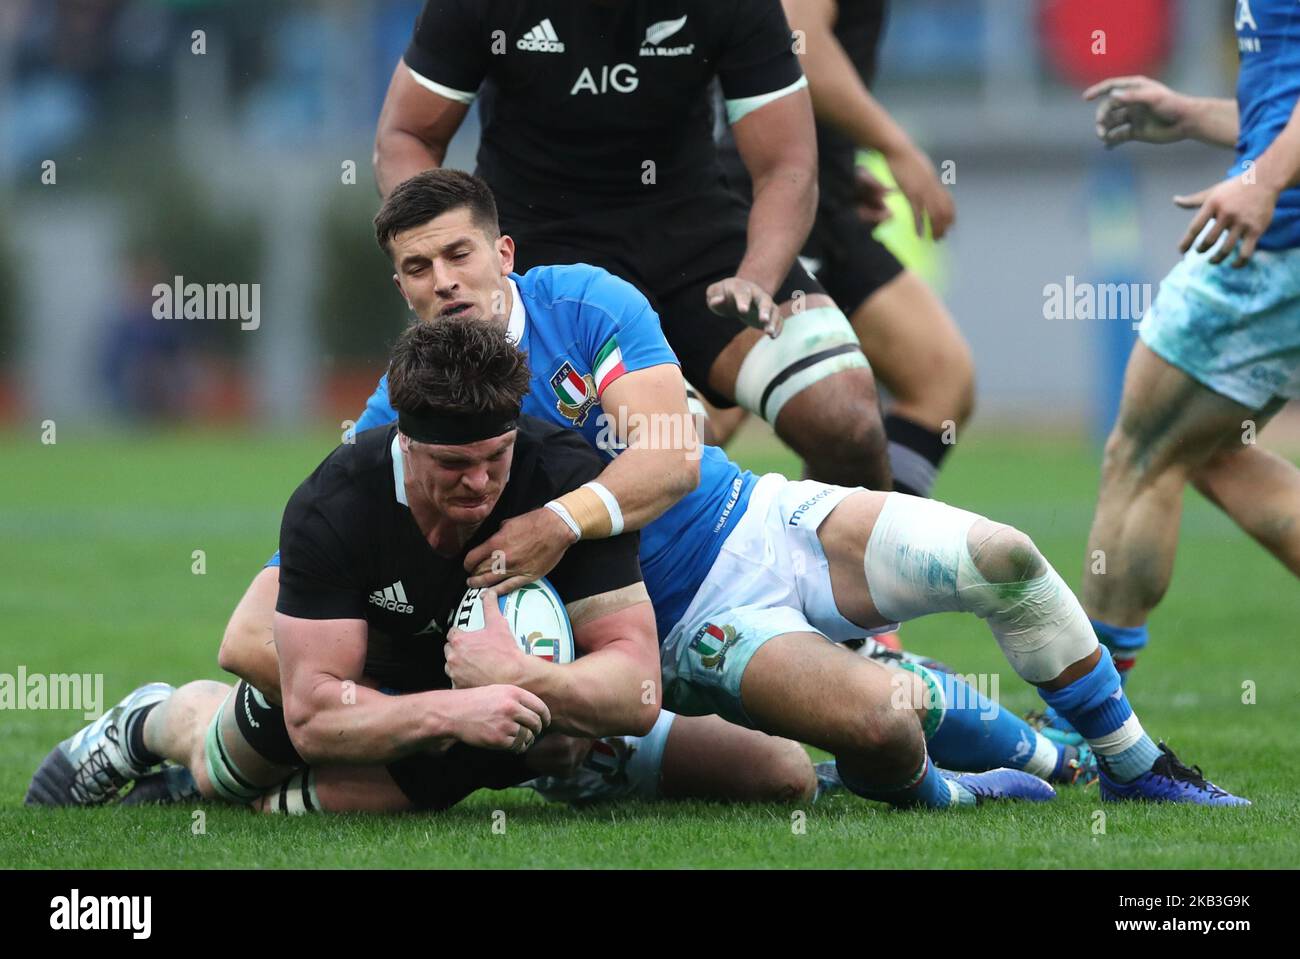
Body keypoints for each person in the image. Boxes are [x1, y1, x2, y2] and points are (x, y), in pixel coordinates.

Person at [226, 171, 1232, 810]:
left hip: (757, 516)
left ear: (503, 255)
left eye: (457, 254)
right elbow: (282, 599)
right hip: (678, 627)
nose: (444, 280)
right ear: (399, 287)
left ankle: (1135, 764)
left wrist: (550, 524)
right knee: (887, 710)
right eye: (416, 267)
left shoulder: (587, 300)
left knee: (1000, 555)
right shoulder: (397, 415)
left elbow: (668, 456)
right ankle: (961, 789)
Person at [27, 318, 663, 813]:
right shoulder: (337, 502)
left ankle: (307, 799)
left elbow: (637, 691)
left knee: (556, 741)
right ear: (405, 442)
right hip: (359, 673)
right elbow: (314, 718)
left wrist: (519, 676)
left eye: (496, 457)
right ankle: (150, 723)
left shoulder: (565, 478)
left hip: (483, 684)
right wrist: (451, 710)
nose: (479, 483)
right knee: (226, 774)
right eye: (452, 465)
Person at [373, 0, 894, 493]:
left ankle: (838, 577)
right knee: (665, 445)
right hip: (540, 248)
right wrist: (453, 250)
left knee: (845, 418)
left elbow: (789, 164)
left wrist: (757, 277)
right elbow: (405, 134)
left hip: (697, 236)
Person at [1061, 2, 1300, 737]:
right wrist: (1194, 114)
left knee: (1142, 451)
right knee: (1210, 449)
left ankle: (1081, 724)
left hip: (1278, 236)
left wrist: (1260, 184)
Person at [715, 0, 974, 500]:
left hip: (826, 199)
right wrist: (896, 147)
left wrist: (836, 166)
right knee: (702, 422)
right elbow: (798, 41)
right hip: (769, 200)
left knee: (941, 378)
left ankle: (840, 558)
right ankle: (617, 552)